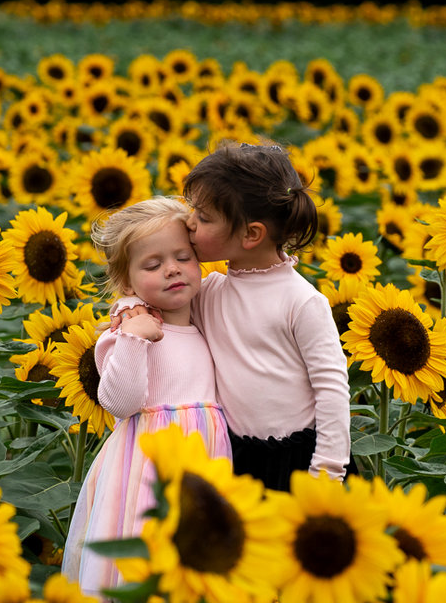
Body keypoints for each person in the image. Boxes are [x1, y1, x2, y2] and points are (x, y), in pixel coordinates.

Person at [117, 140, 351, 490]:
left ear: (251, 234)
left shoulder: (301, 301)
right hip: (233, 455)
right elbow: (155, 300)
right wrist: (127, 308)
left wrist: (327, 472)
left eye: (204, 217)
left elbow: (332, 390)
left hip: (300, 463)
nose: (190, 222)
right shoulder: (209, 291)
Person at [61, 197, 230, 598]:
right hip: (145, 467)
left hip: (205, 461)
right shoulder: (124, 334)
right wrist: (134, 339)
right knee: (140, 565)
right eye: (152, 265)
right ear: (127, 282)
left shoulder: (205, 319)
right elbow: (118, 402)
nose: (171, 269)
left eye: (183, 257)